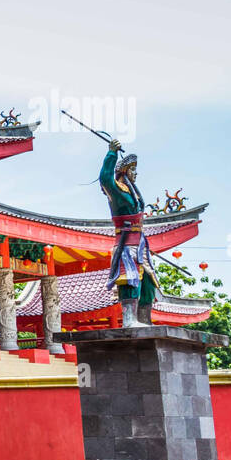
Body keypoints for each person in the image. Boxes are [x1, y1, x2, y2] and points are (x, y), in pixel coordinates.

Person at [99, 138, 158, 327]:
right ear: (124, 171)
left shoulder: (134, 193)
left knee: (148, 282)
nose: (136, 173)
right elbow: (105, 179)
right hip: (126, 244)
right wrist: (111, 154)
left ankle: (144, 320)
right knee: (129, 279)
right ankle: (129, 320)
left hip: (140, 244)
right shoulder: (117, 191)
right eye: (132, 169)